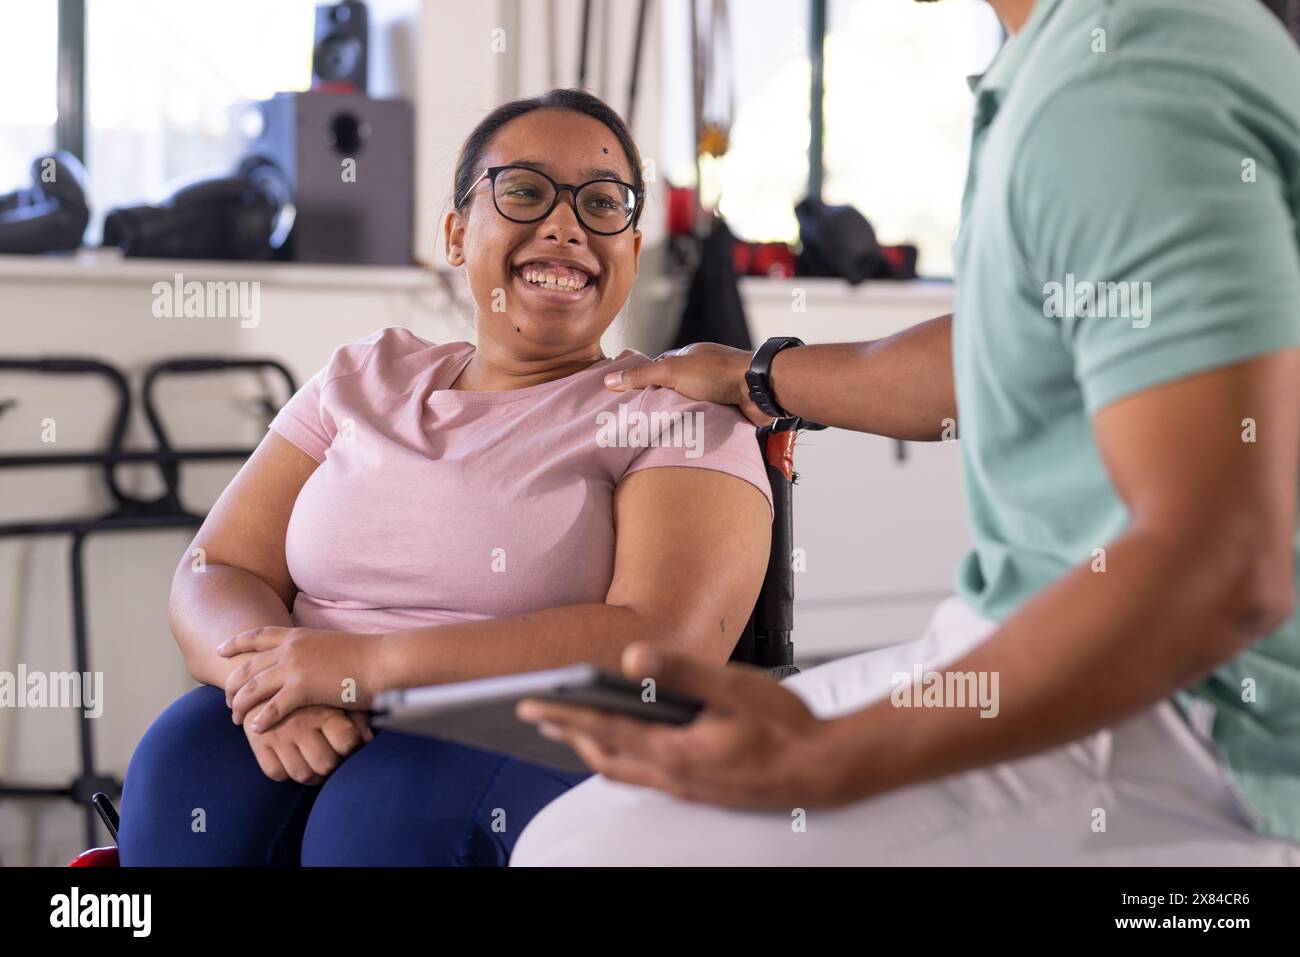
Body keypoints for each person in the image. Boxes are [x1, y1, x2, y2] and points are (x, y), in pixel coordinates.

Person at [511, 0, 1300, 865]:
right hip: (1015, 630)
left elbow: (1220, 565)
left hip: (1195, 721)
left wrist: (826, 761)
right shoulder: (1065, 57)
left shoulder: (1121, 79)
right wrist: (756, 374)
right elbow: (1013, 341)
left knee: (585, 858)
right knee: (574, 830)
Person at [117, 89, 774, 866]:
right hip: (311, 687)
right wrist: (263, 683)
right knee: (182, 771)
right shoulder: (364, 375)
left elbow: (665, 641)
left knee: (379, 826)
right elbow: (214, 566)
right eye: (526, 191)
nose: (564, 225)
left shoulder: (676, 412)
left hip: (529, 723)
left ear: (630, 252)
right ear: (458, 235)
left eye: (602, 204)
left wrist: (366, 667)